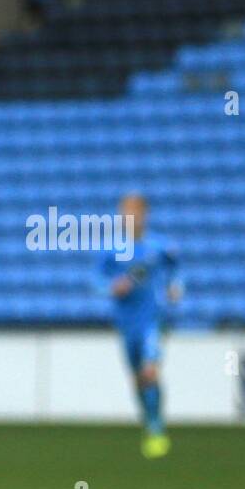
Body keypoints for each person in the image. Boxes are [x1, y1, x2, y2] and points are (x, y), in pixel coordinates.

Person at [99, 193, 183, 458]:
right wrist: (112, 287)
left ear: (144, 214)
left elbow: (176, 271)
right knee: (137, 378)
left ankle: (157, 428)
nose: (130, 217)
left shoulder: (159, 246)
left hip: (152, 320)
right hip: (127, 324)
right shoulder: (111, 250)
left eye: (135, 212)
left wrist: (175, 287)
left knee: (149, 371)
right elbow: (96, 281)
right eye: (125, 212)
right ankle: (149, 419)